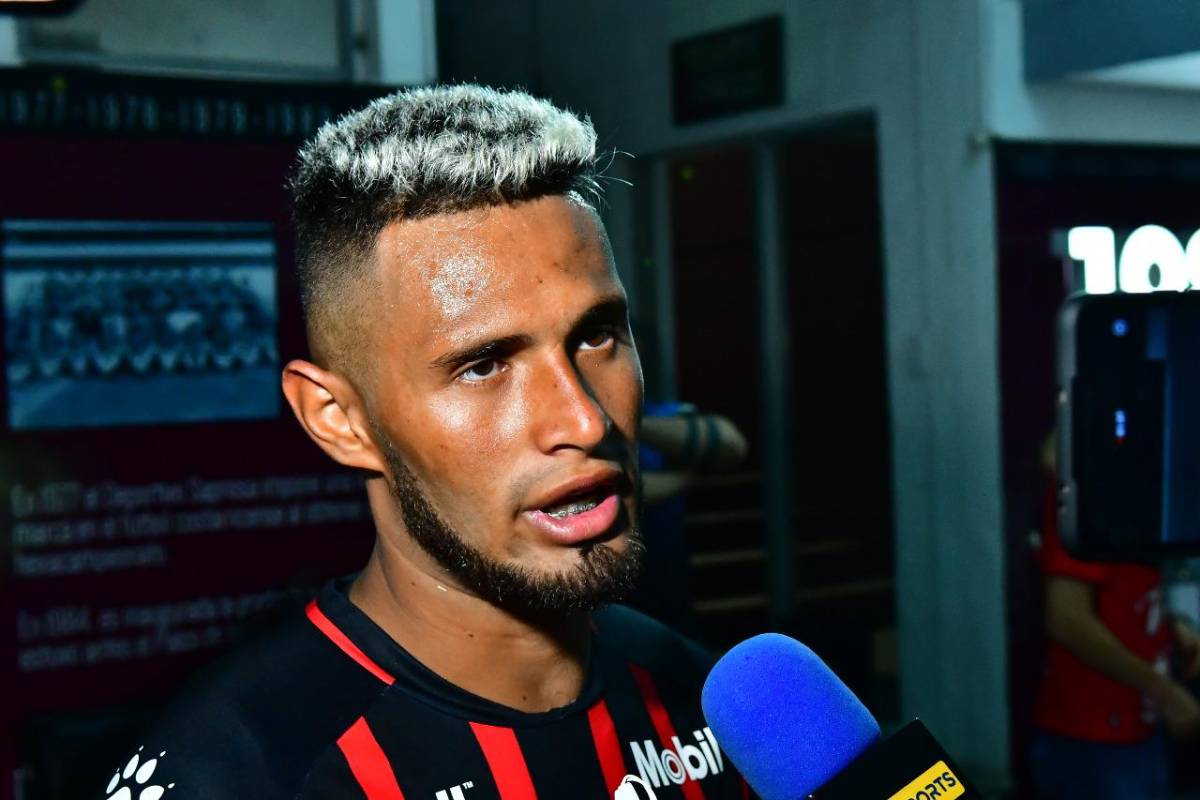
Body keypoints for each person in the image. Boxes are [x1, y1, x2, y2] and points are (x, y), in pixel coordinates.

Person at [98, 85, 749, 800]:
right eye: (483, 365)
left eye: (597, 335)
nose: (583, 421)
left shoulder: (710, 703)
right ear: (338, 420)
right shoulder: (237, 774)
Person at [1030, 433, 1200, 800]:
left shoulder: (1137, 487)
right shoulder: (1087, 492)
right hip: (1095, 735)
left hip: (1138, 723)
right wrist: (1165, 692)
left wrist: (1170, 629)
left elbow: (1123, 595)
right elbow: (1067, 619)